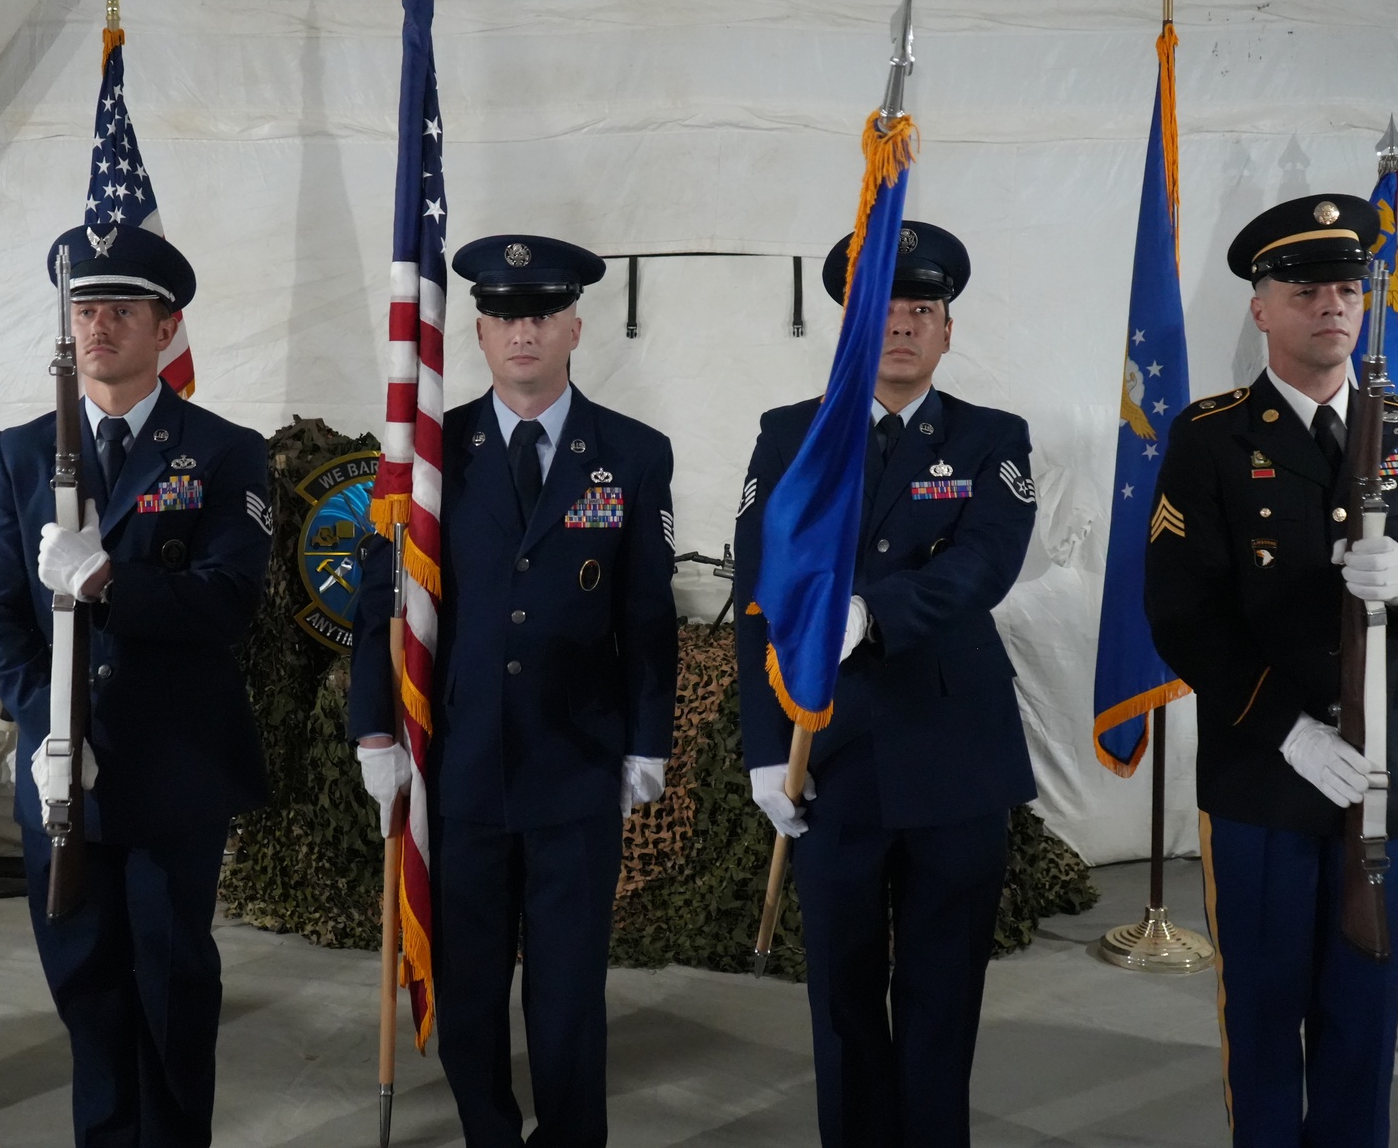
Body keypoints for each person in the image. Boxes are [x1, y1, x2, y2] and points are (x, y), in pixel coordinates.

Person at [1144, 195, 1398, 1147]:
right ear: (1259, 308)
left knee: (1364, 1015)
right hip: (1262, 771)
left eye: (1345, 287)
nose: (1330, 304)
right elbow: (1180, 614)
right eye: (1303, 288)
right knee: (1260, 1012)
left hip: (1384, 769)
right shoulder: (1210, 438)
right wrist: (1287, 728)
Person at [349, 235, 678, 1148]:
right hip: (460, 766)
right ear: (479, 334)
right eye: (502, 317)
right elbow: (382, 605)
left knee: (570, 988)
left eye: (540, 315)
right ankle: (489, 1133)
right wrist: (375, 733)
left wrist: (648, 737)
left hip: (576, 762)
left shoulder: (634, 454)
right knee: (468, 982)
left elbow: (647, 614)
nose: (521, 332)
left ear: (575, 326)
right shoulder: (426, 455)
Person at [734, 221, 1039, 1147]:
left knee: (944, 994)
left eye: (923, 310)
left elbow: (985, 563)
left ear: (948, 331)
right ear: (850, 328)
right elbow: (760, 598)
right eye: (884, 311)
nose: (903, 326)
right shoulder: (791, 437)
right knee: (842, 994)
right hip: (830, 752)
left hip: (955, 758)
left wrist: (868, 611)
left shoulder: (993, 438)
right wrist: (761, 751)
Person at [0, 222, 272, 1147]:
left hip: (171, 773)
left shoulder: (225, 451)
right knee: (87, 990)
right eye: (86, 307)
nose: (99, 325)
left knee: (173, 984)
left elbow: (228, 602)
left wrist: (106, 580)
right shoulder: (22, 453)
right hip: (64, 780)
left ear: (165, 326)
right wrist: (47, 722)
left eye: (123, 309)